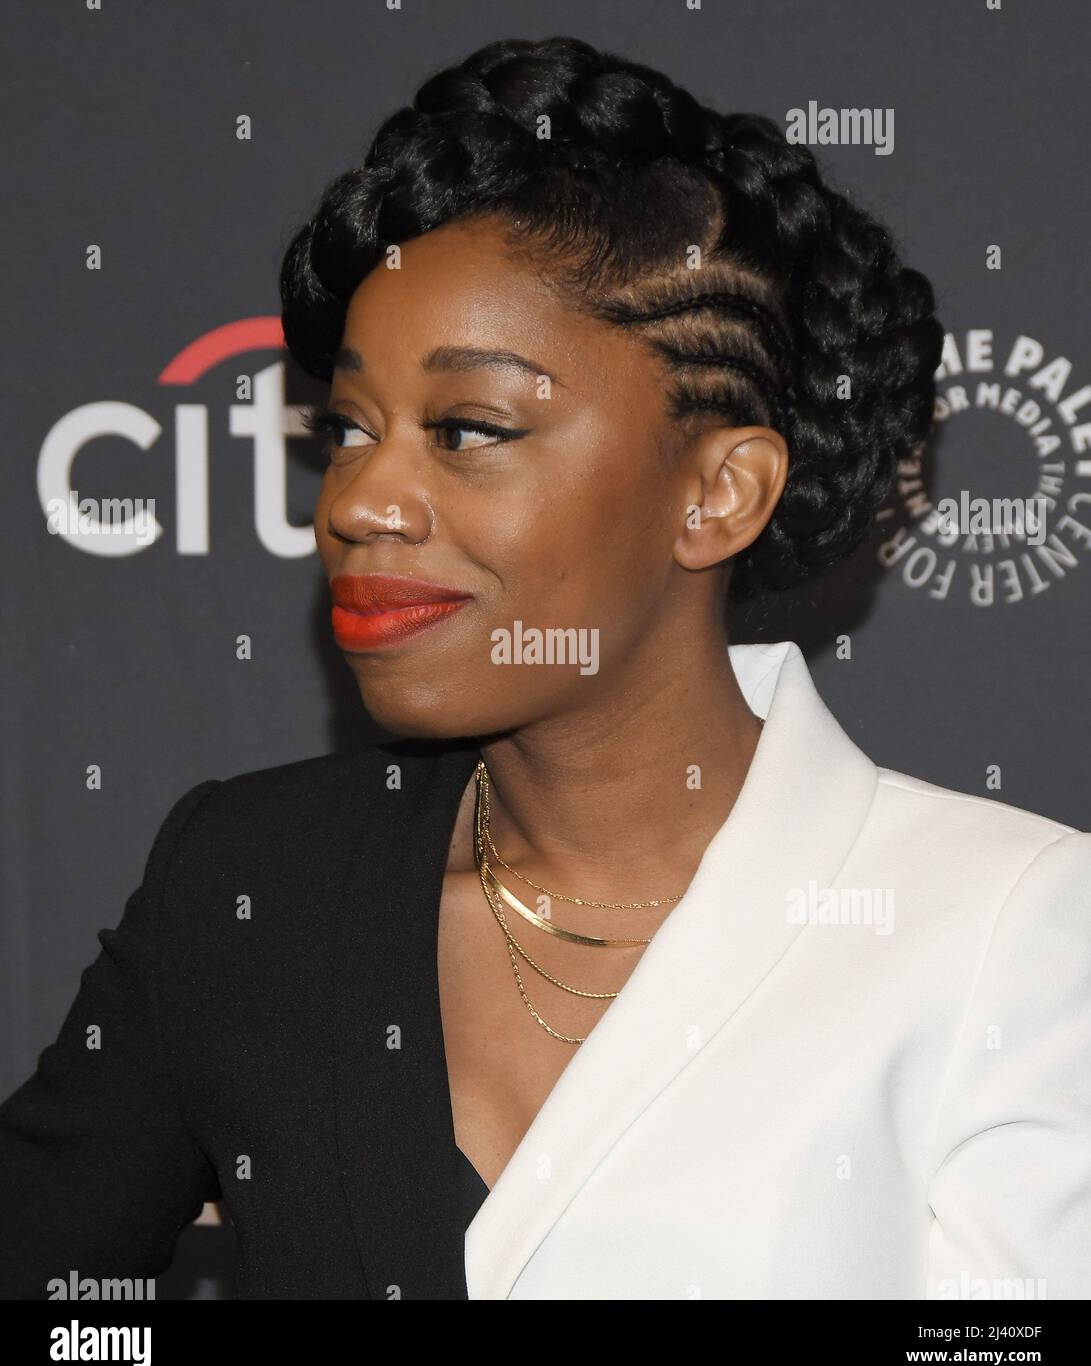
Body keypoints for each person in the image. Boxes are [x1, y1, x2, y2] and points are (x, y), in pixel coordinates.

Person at [3, 34, 1089, 1301]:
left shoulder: (1003, 925)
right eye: (350, 429)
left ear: (717, 493)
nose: (362, 500)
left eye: (469, 429)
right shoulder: (250, 888)